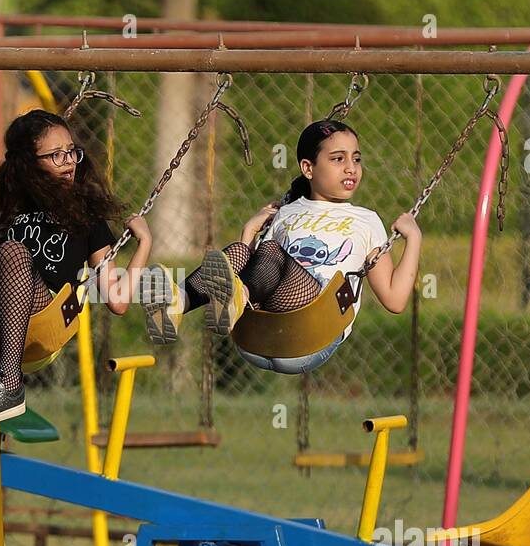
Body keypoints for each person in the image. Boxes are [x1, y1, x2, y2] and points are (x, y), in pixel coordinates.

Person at [0, 109, 150, 425]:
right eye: (56, 155)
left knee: (14, 251)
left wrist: (145, 245)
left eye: (71, 151)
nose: (69, 161)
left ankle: (10, 384)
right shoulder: (3, 205)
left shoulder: (87, 214)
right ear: (28, 165)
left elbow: (118, 301)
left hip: (45, 321)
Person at [140, 119, 420, 374]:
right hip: (258, 333)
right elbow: (249, 266)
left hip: (313, 327)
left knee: (272, 251)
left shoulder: (366, 220)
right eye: (338, 159)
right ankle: (178, 303)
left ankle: (235, 297)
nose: (351, 168)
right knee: (242, 250)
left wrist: (413, 238)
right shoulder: (285, 211)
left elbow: (395, 300)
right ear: (308, 168)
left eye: (356, 159)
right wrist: (249, 230)